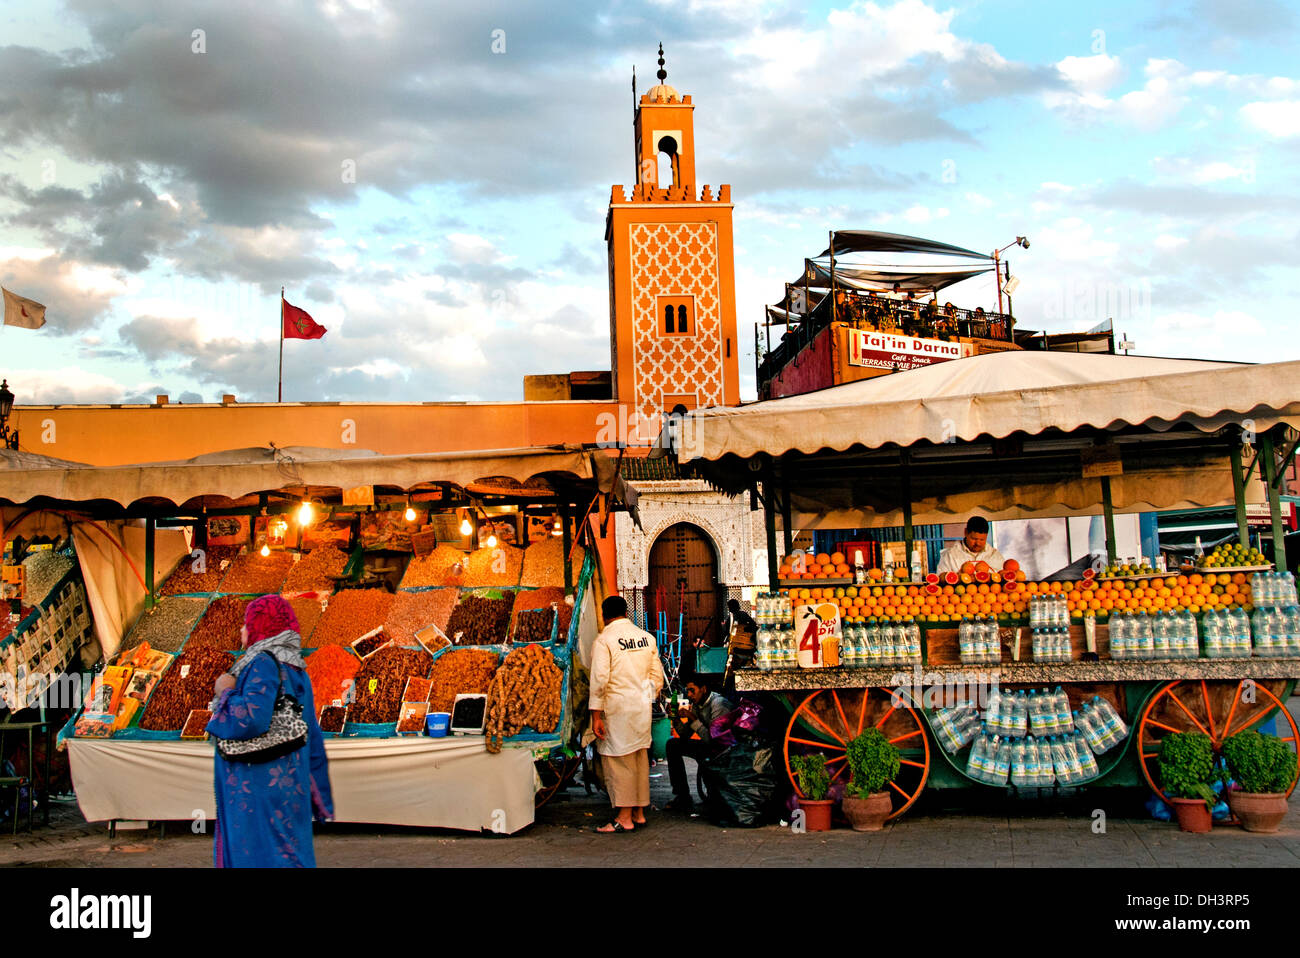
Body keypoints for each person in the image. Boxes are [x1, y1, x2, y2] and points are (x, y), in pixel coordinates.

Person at [207, 595, 333, 867]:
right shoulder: (296, 667)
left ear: (261, 626)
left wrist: (225, 691)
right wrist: (317, 789)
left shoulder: (262, 663)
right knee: (288, 852)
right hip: (288, 784)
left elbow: (251, 718)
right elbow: (312, 731)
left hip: (258, 788)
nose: (241, 630)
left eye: (246, 623)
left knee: (262, 854)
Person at [589, 594, 665, 833]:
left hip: (617, 708)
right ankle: (639, 812)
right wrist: (644, 697)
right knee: (639, 758)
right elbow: (657, 676)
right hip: (640, 707)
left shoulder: (605, 640)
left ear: (604, 615)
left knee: (619, 761)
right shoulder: (646, 638)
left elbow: (599, 680)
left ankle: (624, 818)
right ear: (627, 613)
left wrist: (596, 715)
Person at [665, 677, 735, 813]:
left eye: (692, 690)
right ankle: (682, 796)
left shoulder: (718, 704)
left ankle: (713, 796)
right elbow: (686, 735)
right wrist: (676, 719)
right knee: (673, 745)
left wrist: (693, 719)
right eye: (688, 691)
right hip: (707, 745)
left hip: (723, 749)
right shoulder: (697, 704)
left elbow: (714, 739)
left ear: (703, 689)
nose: (690, 695)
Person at [936, 516, 1007, 575]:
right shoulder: (950, 555)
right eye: (974, 539)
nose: (978, 543)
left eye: (982, 540)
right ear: (966, 532)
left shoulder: (995, 556)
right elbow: (941, 579)